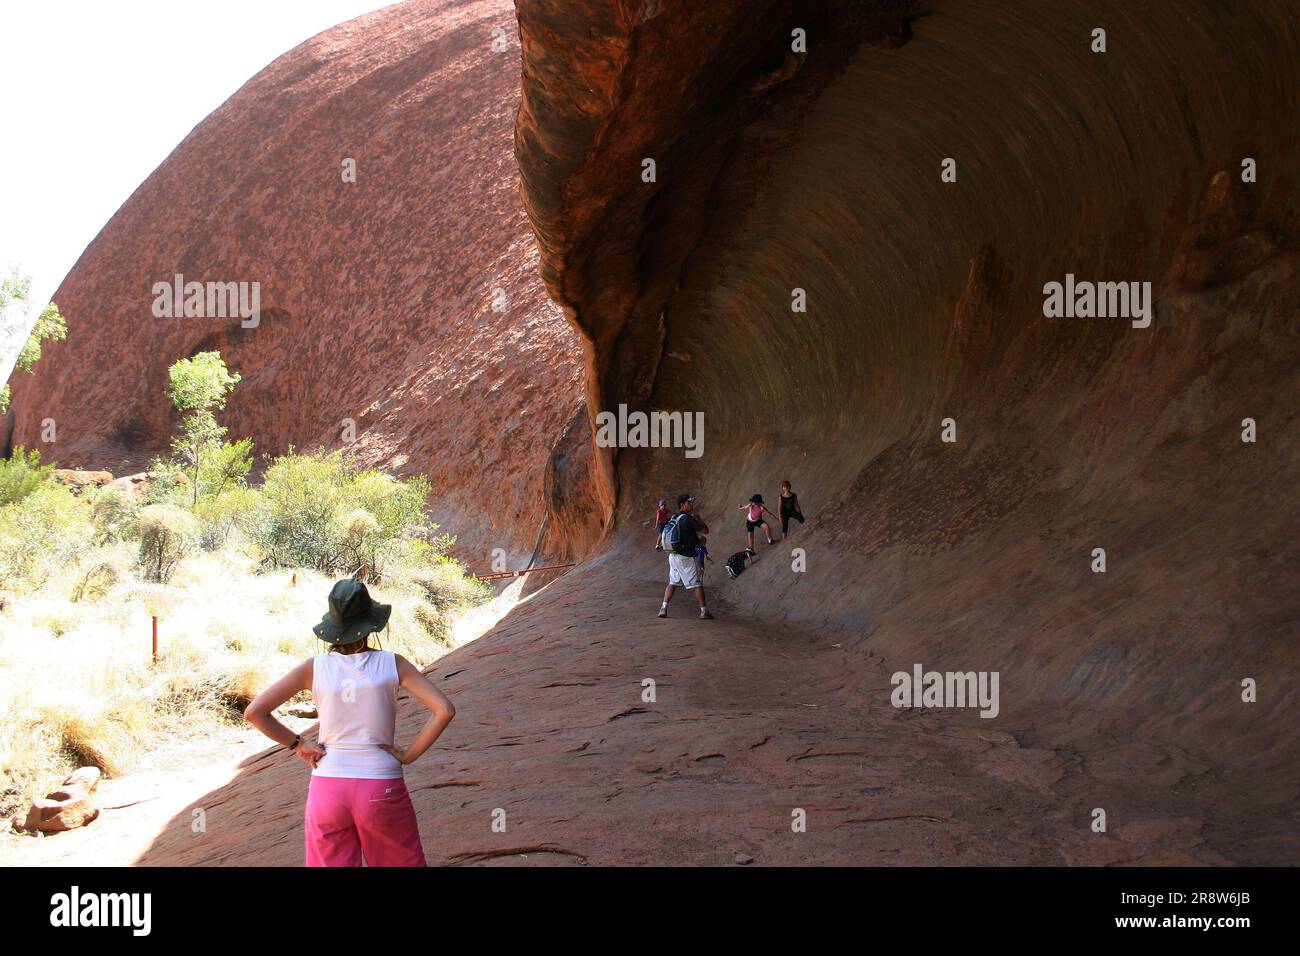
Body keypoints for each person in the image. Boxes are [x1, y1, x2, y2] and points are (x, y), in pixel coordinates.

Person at [244, 564, 456, 867]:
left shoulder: (313, 668)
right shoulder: (392, 664)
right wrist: (407, 755)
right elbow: (444, 710)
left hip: (328, 785)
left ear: (333, 626)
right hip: (380, 784)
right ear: (371, 623)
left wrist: (298, 745)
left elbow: (255, 712)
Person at [658, 494, 713, 619]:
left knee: (672, 582)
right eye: (689, 502)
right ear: (682, 504)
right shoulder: (688, 518)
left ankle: (663, 608)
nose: (691, 504)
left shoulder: (674, 517)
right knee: (697, 584)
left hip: (673, 555)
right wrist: (699, 518)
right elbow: (705, 530)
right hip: (686, 556)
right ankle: (704, 611)